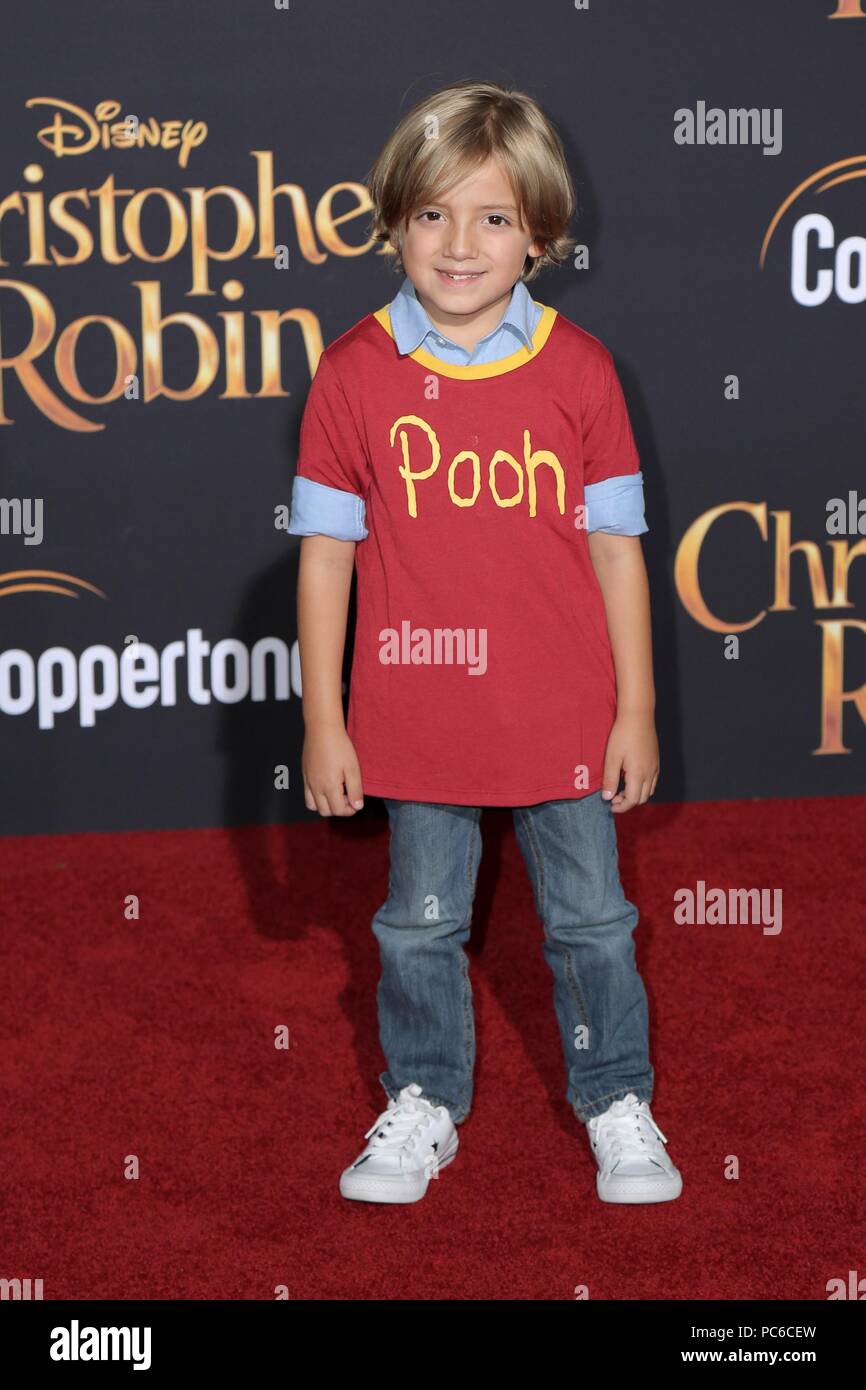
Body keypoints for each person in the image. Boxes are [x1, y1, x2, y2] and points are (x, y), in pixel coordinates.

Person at [288, 78, 682, 1206]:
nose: (459, 243)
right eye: (432, 215)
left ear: (540, 237)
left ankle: (613, 1093)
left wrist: (635, 709)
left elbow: (617, 553)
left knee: (593, 922)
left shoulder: (582, 371)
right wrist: (323, 718)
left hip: (559, 714)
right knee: (415, 927)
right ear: (394, 223)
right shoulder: (353, 371)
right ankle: (420, 1095)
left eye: (493, 216)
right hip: (416, 715)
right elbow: (325, 555)